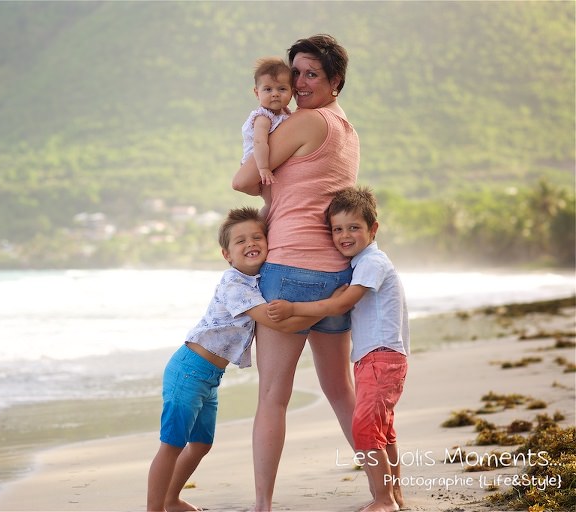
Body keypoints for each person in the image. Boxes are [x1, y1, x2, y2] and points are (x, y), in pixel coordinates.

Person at [232, 34, 360, 511]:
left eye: (312, 75)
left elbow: (244, 181)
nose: (299, 84)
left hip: (288, 269)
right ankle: (385, 494)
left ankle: (263, 505)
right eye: (295, 74)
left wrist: (261, 136)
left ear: (335, 82)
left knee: (273, 397)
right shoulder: (347, 129)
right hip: (335, 275)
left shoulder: (304, 121)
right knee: (341, 390)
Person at [146, 206, 324, 512]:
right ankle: (154, 509)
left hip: (209, 378)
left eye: (257, 237)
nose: (251, 243)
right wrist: (328, 307)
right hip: (188, 370)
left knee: (201, 444)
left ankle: (172, 499)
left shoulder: (259, 282)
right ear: (227, 254)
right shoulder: (233, 285)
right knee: (172, 444)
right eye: (240, 241)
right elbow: (272, 320)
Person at [267, 186, 409, 512]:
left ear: (373, 229)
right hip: (375, 357)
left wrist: (293, 309)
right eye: (337, 229)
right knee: (382, 429)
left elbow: (341, 305)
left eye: (354, 227)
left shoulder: (372, 262)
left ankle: (385, 500)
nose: (344, 235)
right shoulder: (363, 262)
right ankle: (393, 494)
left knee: (364, 428)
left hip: (381, 356)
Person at [240, 57, 293, 214]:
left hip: (270, 163)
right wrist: (263, 168)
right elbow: (259, 142)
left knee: (278, 199)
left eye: (282, 89)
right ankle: (264, 227)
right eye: (268, 89)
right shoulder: (263, 117)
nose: (275, 94)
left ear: (292, 91)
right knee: (271, 203)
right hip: (257, 161)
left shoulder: (286, 113)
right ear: (257, 93)